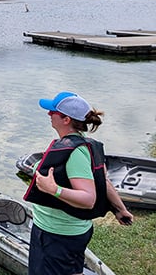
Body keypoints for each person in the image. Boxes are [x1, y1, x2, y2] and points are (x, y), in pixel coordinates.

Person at [23, 91, 133, 275]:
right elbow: (103, 181)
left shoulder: (75, 153)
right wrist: (120, 209)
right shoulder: (88, 145)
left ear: (66, 119)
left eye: (53, 112)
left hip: (56, 234)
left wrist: (54, 189)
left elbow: (88, 199)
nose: (49, 115)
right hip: (73, 232)